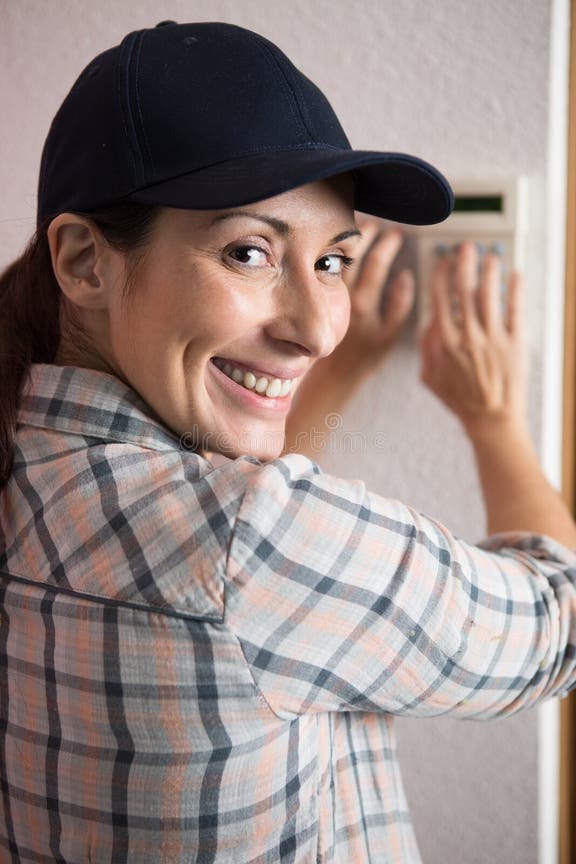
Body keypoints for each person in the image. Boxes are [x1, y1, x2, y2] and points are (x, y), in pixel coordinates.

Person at [0, 20, 574, 864]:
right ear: (85, 261)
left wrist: (304, 390)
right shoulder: (254, 542)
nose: (317, 331)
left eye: (333, 262)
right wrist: (492, 420)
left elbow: (208, 538)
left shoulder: (30, 464)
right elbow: (558, 623)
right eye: (250, 251)